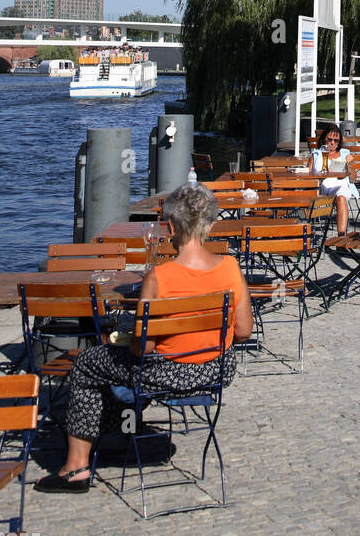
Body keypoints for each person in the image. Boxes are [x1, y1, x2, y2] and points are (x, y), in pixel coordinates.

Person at [34, 183, 252, 494]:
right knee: (105, 364)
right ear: (212, 224)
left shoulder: (159, 277)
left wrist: (123, 341)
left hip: (166, 373)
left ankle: (76, 467)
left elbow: (144, 348)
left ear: (171, 226)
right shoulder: (231, 268)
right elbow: (243, 331)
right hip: (215, 370)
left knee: (87, 362)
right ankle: (114, 429)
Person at [311, 122, 359, 236]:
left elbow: (353, 179)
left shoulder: (345, 154)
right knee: (340, 196)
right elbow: (309, 176)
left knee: (341, 196)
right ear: (324, 139)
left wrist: (349, 165)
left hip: (342, 185)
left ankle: (341, 237)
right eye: (330, 139)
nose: (332, 143)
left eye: (336, 140)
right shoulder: (317, 154)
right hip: (324, 186)